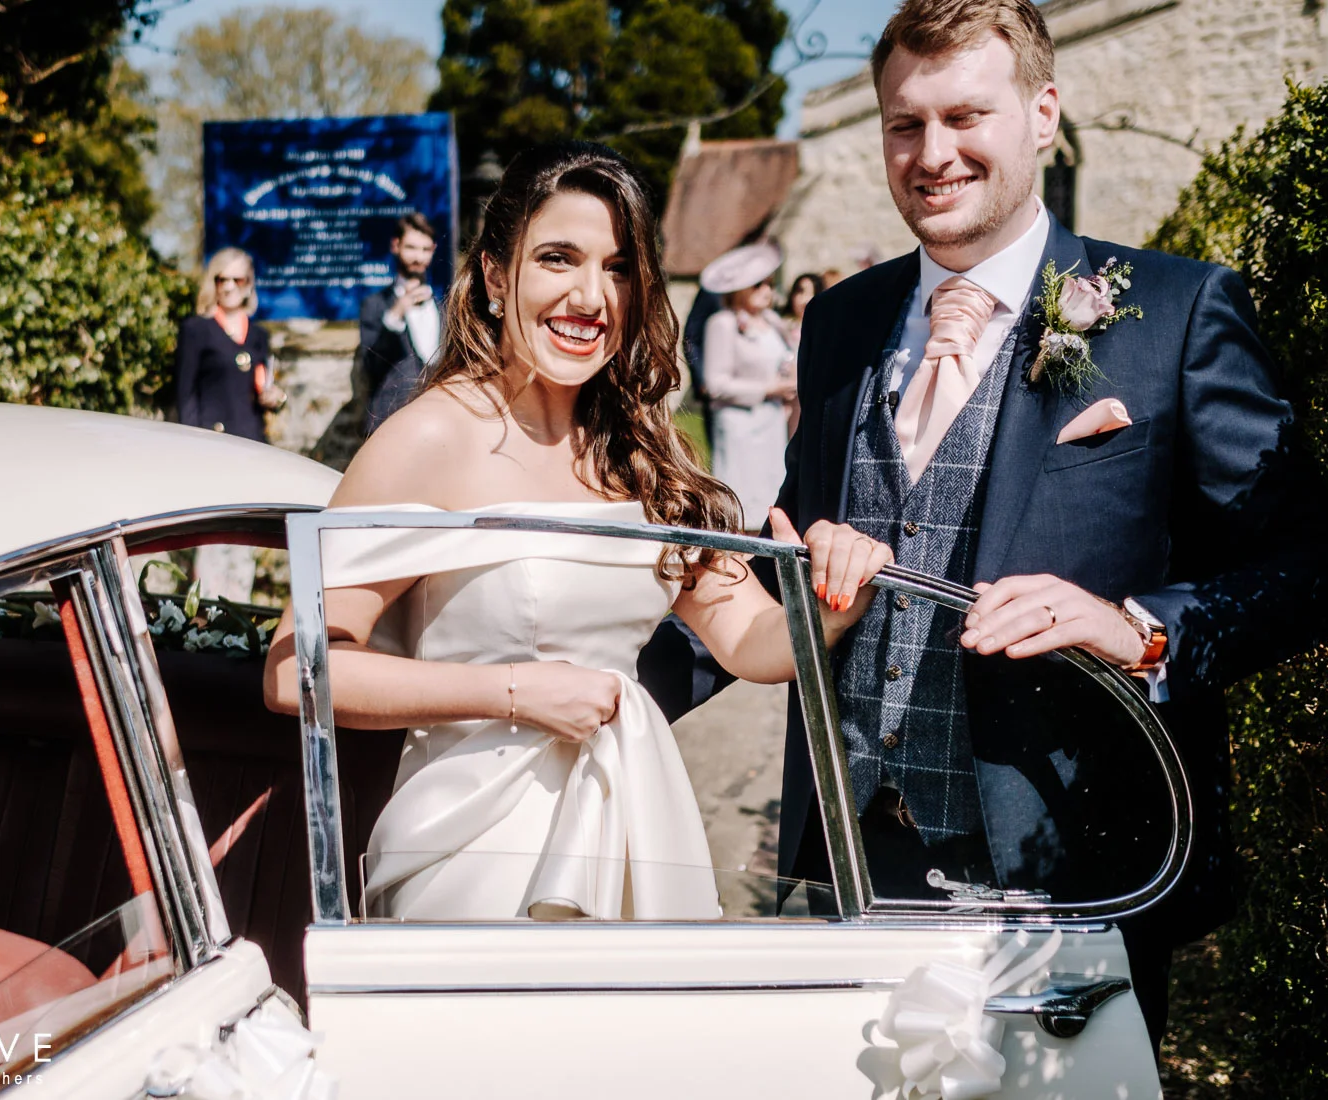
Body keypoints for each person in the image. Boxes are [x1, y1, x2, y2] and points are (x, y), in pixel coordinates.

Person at [756, 0, 1328, 1050]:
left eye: (964, 117)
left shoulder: (1170, 312)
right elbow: (798, 558)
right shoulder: (843, 320)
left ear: (1043, 112)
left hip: (1069, 856)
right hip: (856, 848)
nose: (931, 154)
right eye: (904, 124)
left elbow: (1316, 565)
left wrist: (1141, 627)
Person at [263, 142, 883, 922]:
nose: (592, 296)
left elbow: (749, 639)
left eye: (619, 268)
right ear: (496, 275)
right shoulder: (429, 438)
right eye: (559, 258)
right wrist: (514, 692)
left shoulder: (646, 453)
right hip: (477, 859)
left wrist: (836, 592)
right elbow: (298, 670)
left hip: (634, 835)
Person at [175, 247, 285, 602]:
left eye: (240, 279)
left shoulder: (259, 335)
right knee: (213, 543)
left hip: (251, 445)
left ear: (250, 285)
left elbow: (262, 387)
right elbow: (185, 393)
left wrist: (276, 398)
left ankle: (239, 624)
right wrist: (191, 442)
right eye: (224, 279)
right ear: (214, 283)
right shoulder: (197, 330)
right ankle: (207, 625)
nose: (231, 287)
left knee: (244, 545)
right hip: (211, 447)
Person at [700, 243, 797, 530]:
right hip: (740, 425)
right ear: (740, 289)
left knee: (772, 501)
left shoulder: (772, 321)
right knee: (742, 504)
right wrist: (769, 389)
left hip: (772, 424)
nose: (767, 290)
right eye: (758, 285)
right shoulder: (723, 323)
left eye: (769, 283)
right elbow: (715, 383)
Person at [357, 213, 443, 433]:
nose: (418, 257)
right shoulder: (375, 305)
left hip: (438, 422)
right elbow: (371, 367)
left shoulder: (446, 308)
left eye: (425, 250)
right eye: (412, 248)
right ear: (396, 246)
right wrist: (395, 314)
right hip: (389, 422)